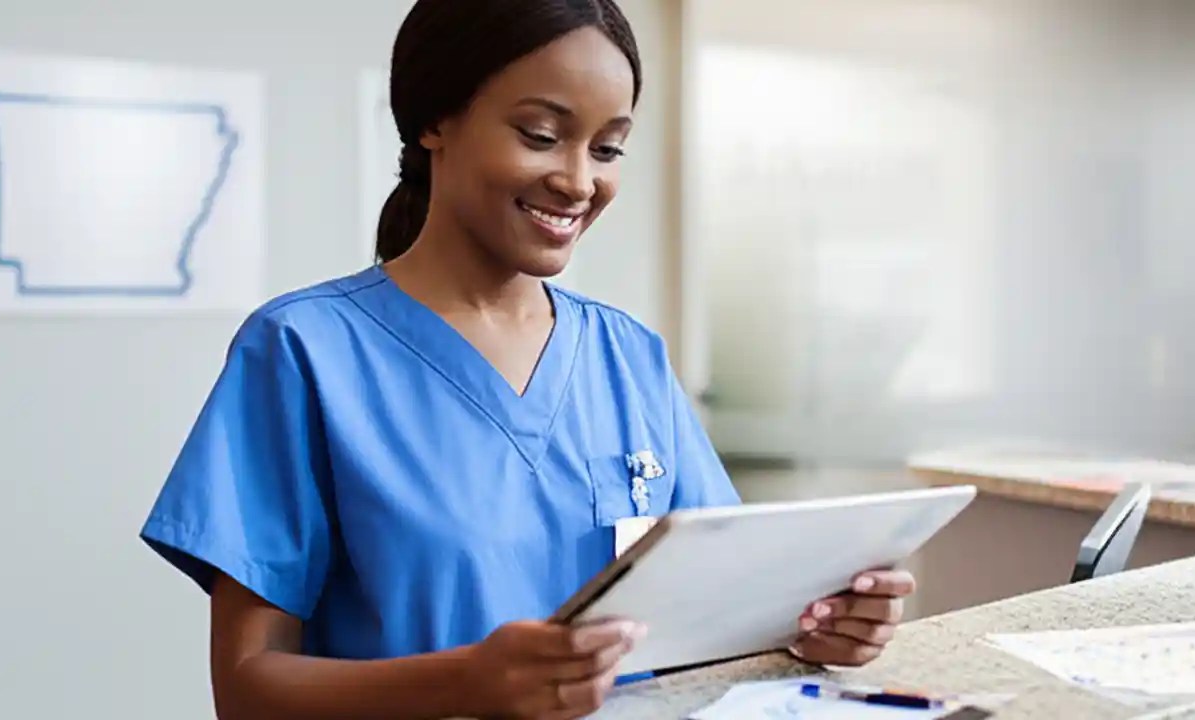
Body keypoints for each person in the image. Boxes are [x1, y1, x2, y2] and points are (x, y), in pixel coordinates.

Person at [139, 1, 917, 718]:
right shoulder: (303, 352)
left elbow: (722, 619)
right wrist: (467, 681)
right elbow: (247, 689)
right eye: (541, 135)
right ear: (436, 119)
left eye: (607, 147)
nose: (579, 180)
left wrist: (809, 630)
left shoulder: (628, 357)